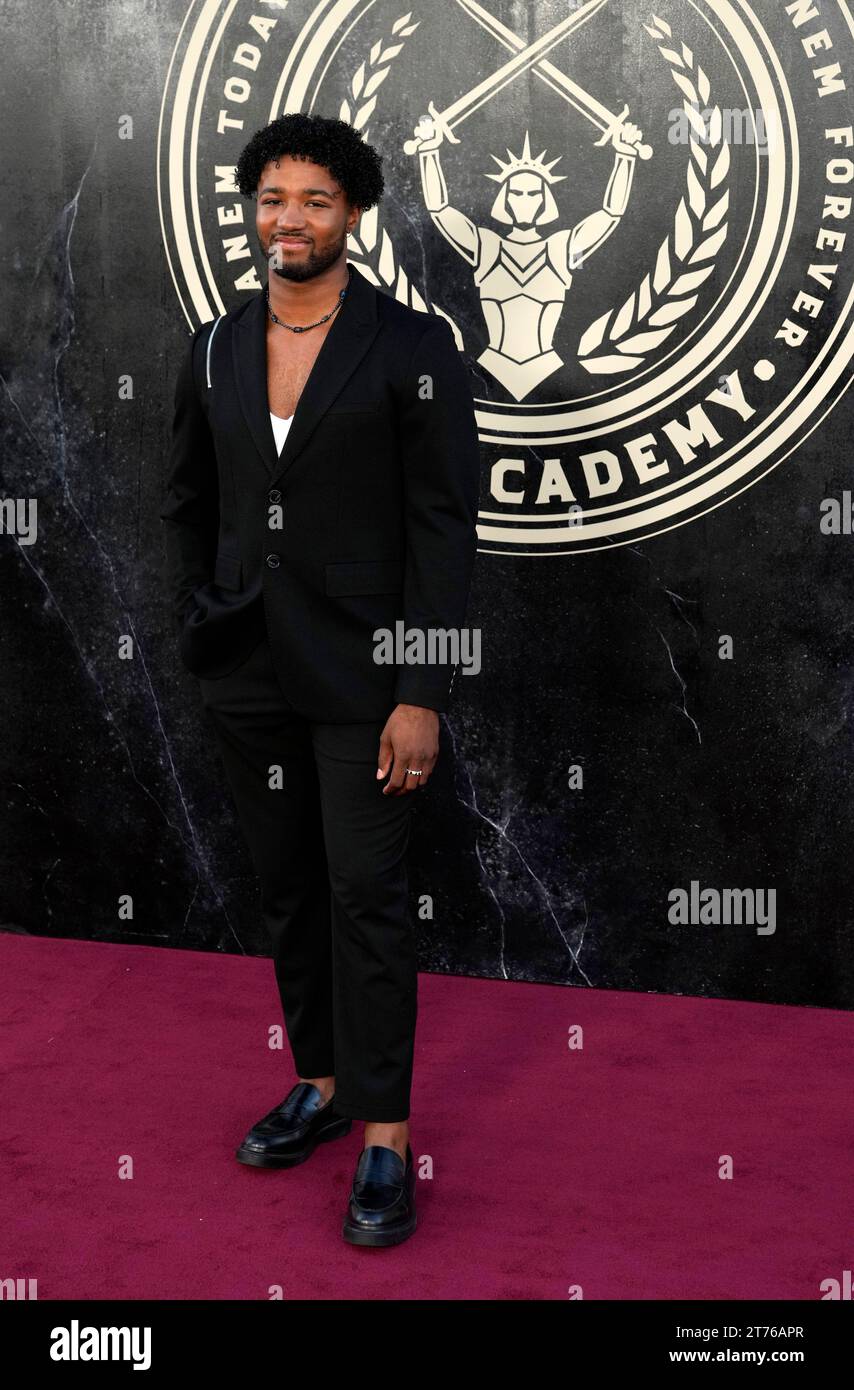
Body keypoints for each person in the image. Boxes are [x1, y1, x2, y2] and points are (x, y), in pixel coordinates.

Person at [159, 112, 481, 1246]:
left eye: (312, 200)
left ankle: (386, 1134)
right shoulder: (209, 344)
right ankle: (324, 1082)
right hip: (246, 670)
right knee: (289, 886)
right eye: (269, 198)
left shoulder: (411, 349)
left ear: (352, 215)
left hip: (368, 676)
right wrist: (203, 621)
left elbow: (442, 528)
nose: (285, 219)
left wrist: (422, 691)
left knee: (365, 897)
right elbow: (189, 506)